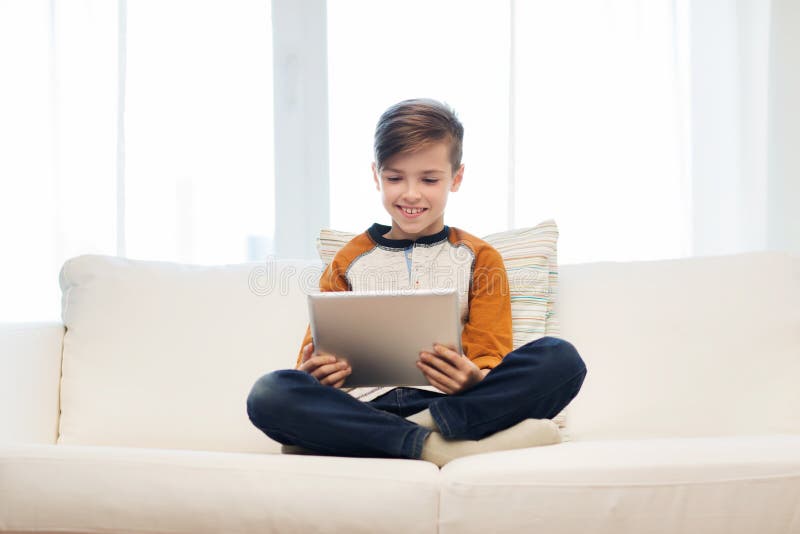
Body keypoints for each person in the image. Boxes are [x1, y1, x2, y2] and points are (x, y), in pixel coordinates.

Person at [246, 98, 587, 467]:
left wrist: (474, 379)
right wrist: (316, 372)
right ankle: (435, 446)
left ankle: (379, 437)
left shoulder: (480, 257)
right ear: (376, 175)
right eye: (395, 178)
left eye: (429, 179)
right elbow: (313, 353)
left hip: (449, 404)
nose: (411, 193)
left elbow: (490, 351)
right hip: (362, 405)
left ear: (455, 178)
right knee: (270, 393)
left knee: (560, 358)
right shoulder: (348, 259)